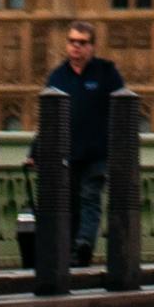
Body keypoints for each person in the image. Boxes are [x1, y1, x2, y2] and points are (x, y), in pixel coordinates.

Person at [45, 21, 124, 263]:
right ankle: (71, 250)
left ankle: (84, 244)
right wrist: (34, 152)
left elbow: (122, 110)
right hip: (68, 153)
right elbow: (47, 118)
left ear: (92, 46)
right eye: (72, 42)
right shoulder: (57, 77)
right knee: (69, 202)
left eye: (82, 42)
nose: (76, 47)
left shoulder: (107, 74)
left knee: (90, 197)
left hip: (98, 153)